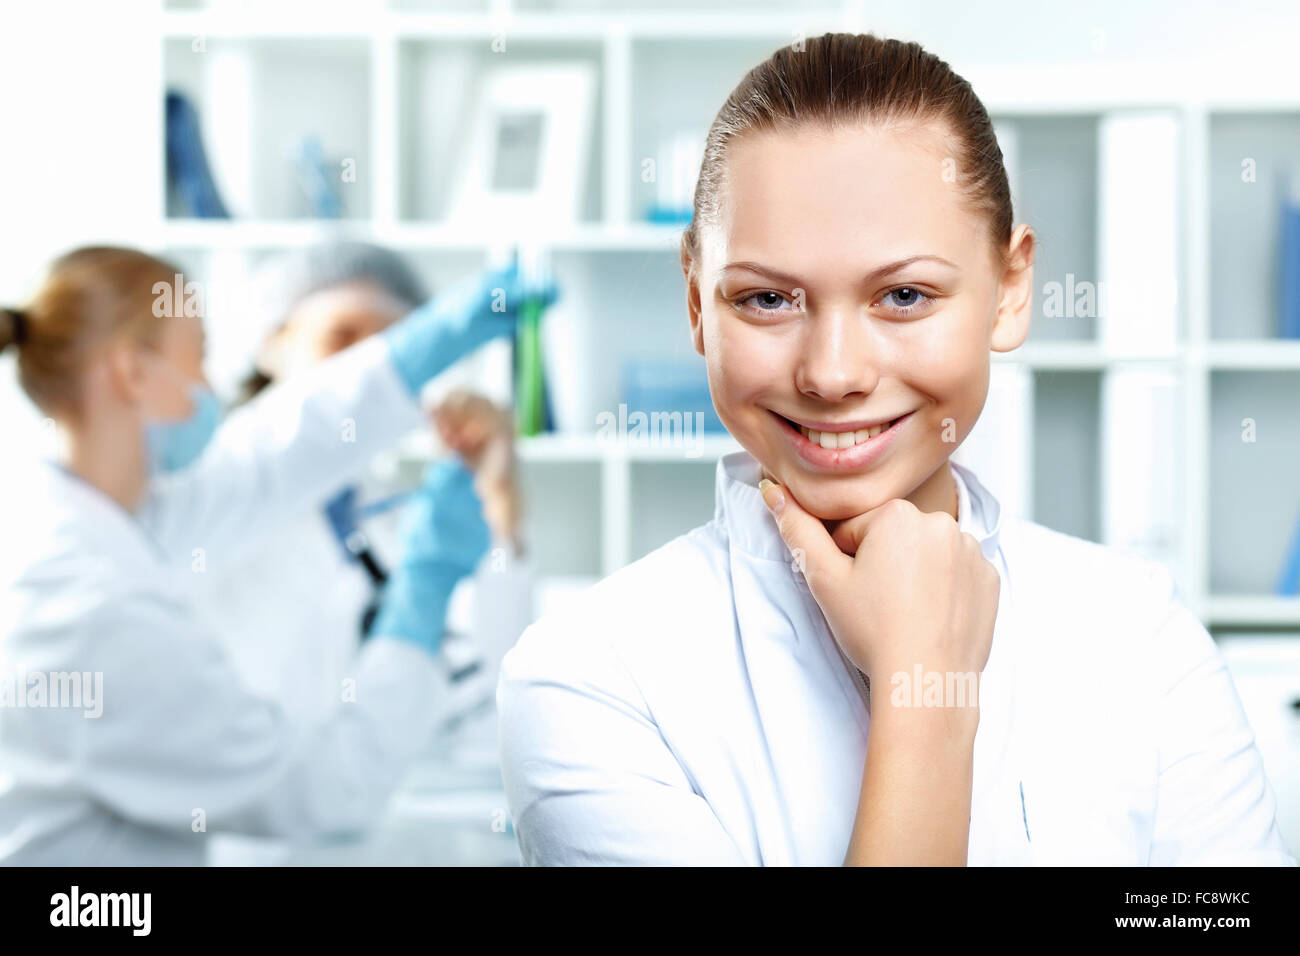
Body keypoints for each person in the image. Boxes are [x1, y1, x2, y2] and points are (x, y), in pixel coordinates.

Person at [496, 33, 1297, 866]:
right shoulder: (588, 678)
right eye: (767, 298)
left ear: (1010, 291)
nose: (833, 372)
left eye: (905, 295)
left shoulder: (1143, 638)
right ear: (698, 304)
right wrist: (927, 693)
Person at [0, 245, 548, 865]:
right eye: (199, 358)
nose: (210, 388)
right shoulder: (88, 606)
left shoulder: (121, 522)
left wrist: (421, 351)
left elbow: (269, 453)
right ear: (131, 373)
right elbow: (324, 794)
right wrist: (423, 589)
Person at [192, 242, 529, 736]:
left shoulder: (404, 514)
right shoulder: (210, 487)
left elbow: (490, 689)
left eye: (390, 345)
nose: (365, 373)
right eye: (342, 338)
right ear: (273, 342)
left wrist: (500, 499)